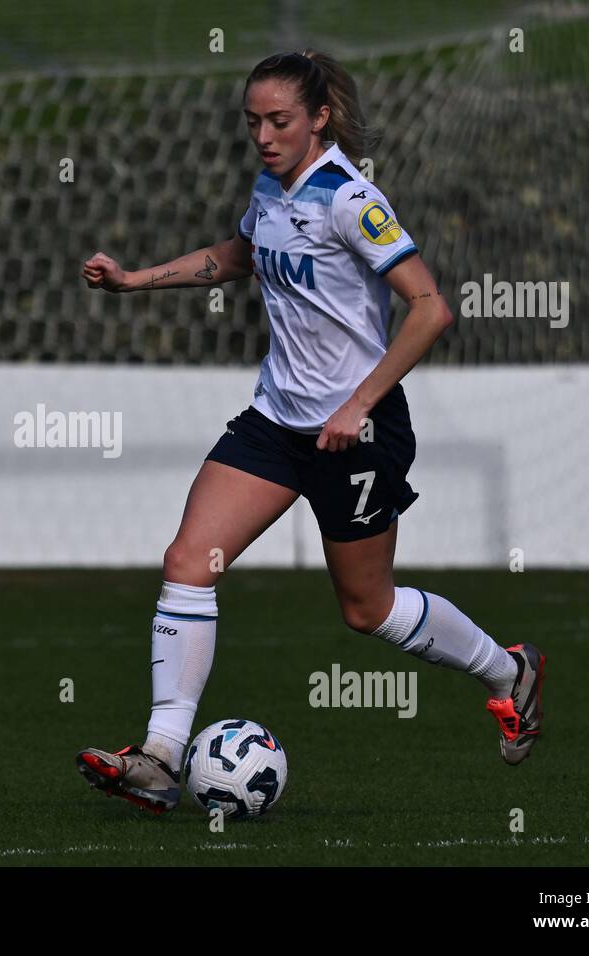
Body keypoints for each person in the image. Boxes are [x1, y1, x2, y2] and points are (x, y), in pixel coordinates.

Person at [75, 50, 545, 815]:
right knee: (189, 561)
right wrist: (136, 280)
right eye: (253, 121)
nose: (263, 135)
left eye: (279, 121)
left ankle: (507, 671)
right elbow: (236, 256)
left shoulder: (350, 200)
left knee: (368, 611)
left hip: (357, 434)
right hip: (276, 423)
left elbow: (430, 309)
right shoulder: (271, 187)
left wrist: (357, 403)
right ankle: (162, 756)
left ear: (319, 118)